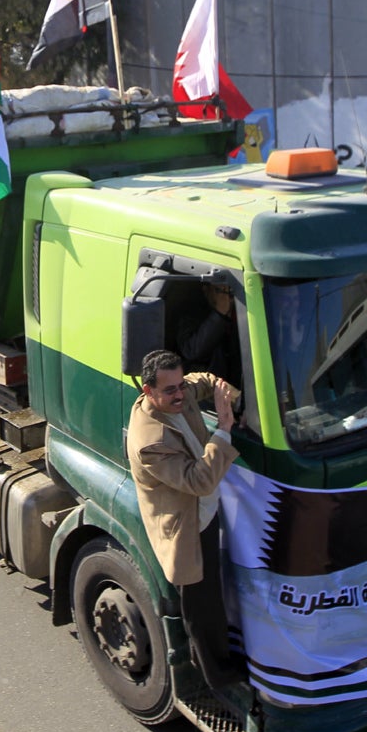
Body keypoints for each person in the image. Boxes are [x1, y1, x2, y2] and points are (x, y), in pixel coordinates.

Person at [126, 349, 244, 690]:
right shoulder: (149, 442)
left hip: (207, 511)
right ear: (147, 392)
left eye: (180, 385)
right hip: (189, 528)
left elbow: (204, 381)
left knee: (216, 594)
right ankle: (219, 676)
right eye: (170, 391)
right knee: (203, 609)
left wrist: (233, 398)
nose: (180, 394)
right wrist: (224, 428)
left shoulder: (180, 392)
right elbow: (199, 481)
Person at [177, 283, 243, 389]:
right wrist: (220, 314)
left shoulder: (244, 313)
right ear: (206, 290)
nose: (226, 297)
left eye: (230, 291)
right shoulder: (192, 313)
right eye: (220, 291)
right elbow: (192, 351)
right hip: (209, 390)